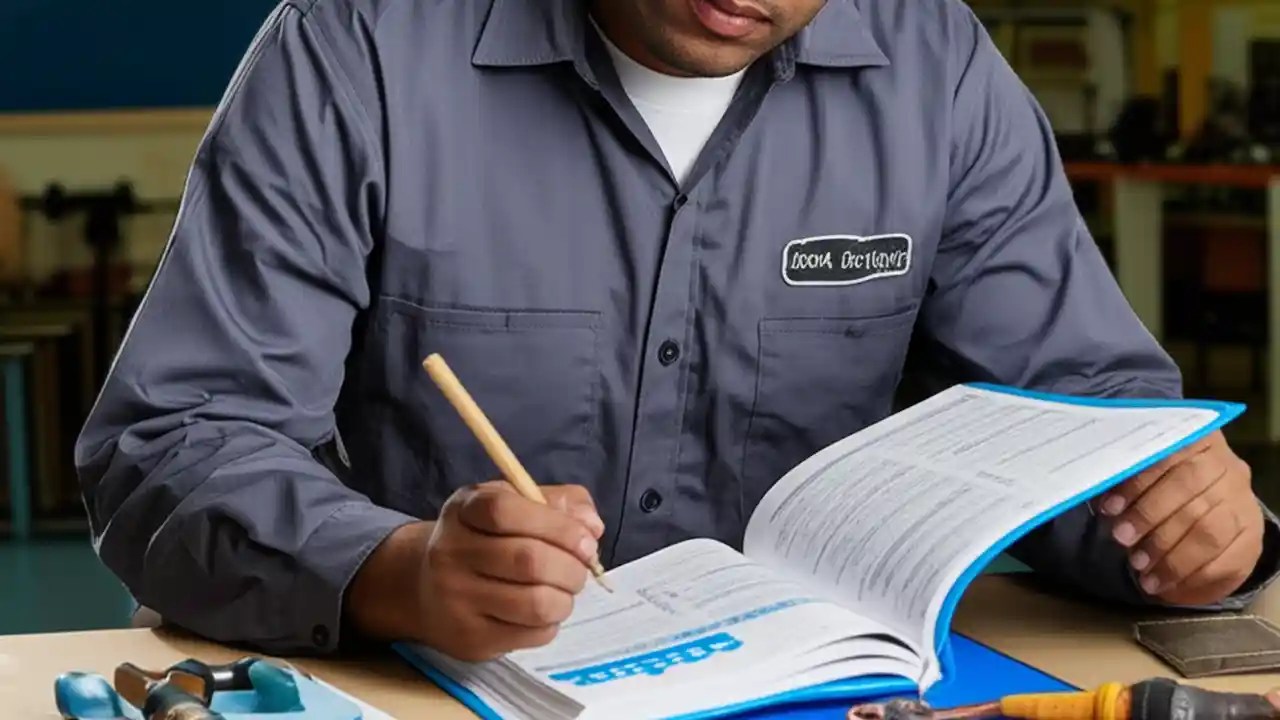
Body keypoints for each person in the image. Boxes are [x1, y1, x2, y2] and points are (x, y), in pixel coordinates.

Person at [76, 0, 1279, 664]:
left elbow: (1084, 422)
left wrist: (1183, 531)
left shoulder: (939, 73)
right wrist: (395, 576)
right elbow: (176, 442)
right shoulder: (355, 50)